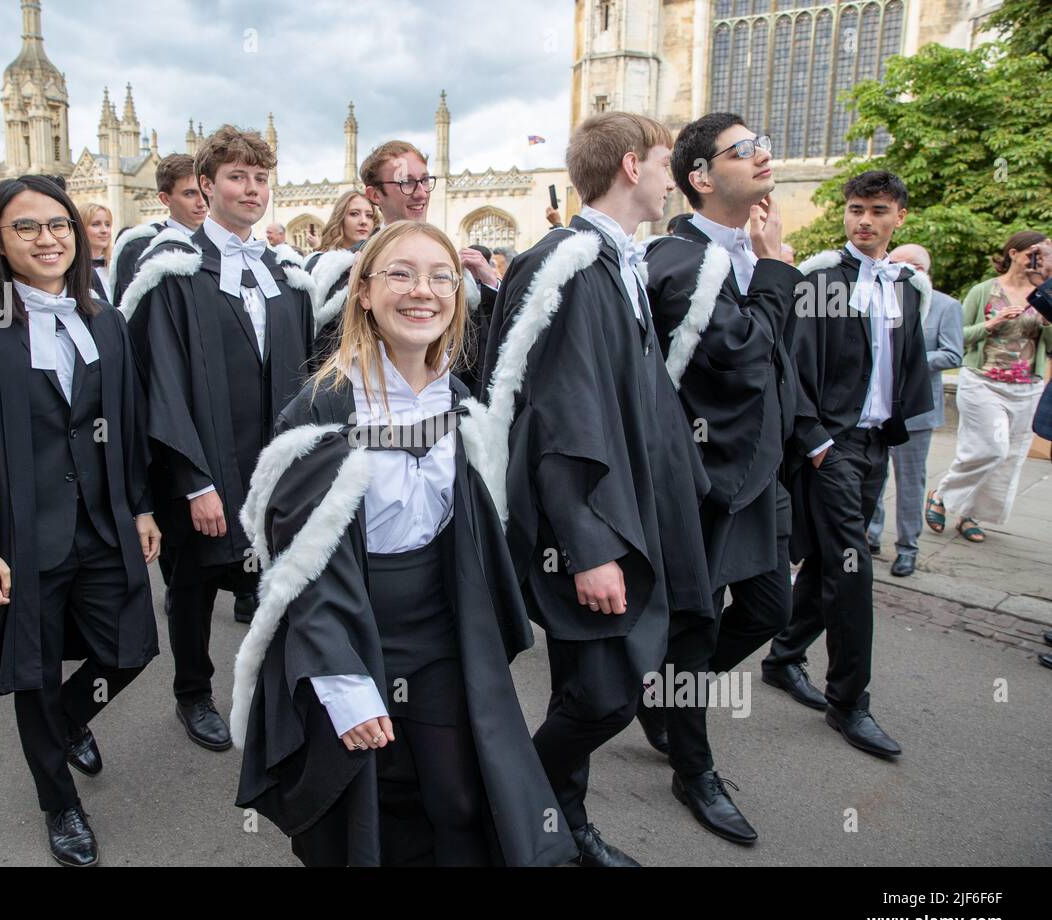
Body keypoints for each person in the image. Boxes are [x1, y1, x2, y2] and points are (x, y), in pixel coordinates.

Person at [232, 220, 576, 868]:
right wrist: (342, 681)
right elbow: (300, 565)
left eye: (440, 276)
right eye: (400, 273)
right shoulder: (325, 407)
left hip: (441, 634)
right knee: (365, 801)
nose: (423, 291)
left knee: (460, 797)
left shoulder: (462, 403)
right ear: (363, 292)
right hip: (354, 633)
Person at [479, 112, 714, 866]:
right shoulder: (572, 263)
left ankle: (561, 825)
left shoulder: (618, 260)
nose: (674, 176)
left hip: (631, 510)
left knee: (587, 689)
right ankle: (518, 803)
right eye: (668, 162)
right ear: (631, 164)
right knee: (608, 696)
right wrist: (586, 548)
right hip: (592, 527)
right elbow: (558, 415)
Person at [0, 174, 161, 867]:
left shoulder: (103, 318)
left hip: (104, 518)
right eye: (26, 226)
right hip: (18, 535)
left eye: (58, 224)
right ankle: (59, 802)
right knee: (33, 668)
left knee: (130, 648)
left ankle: (64, 723)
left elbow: (128, 422)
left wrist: (141, 503)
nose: (48, 238)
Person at [639, 112, 805, 844]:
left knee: (769, 611)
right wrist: (776, 270)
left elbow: (777, 367)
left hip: (760, 471)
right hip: (704, 475)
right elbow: (740, 355)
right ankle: (692, 764)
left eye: (762, 143)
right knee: (697, 626)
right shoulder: (676, 258)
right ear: (700, 178)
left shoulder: (753, 249)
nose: (763, 155)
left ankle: (669, 695)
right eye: (745, 150)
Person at [122, 125, 314, 753]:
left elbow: (302, 377)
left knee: (282, 582)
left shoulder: (283, 274)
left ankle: (280, 692)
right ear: (206, 187)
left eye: (260, 178)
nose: (251, 189)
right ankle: (192, 693)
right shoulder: (173, 276)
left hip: (272, 470)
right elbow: (162, 387)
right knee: (194, 587)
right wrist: (194, 481)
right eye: (237, 176)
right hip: (204, 469)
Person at [764, 170, 932, 758]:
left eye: (879, 211)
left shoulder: (908, 287)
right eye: (856, 209)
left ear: (899, 218)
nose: (865, 220)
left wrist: (894, 429)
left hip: (874, 445)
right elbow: (793, 365)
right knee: (853, 568)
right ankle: (849, 702)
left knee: (833, 558)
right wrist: (815, 442)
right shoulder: (820, 281)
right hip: (830, 447)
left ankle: (784, 658)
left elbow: (904, 364)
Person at [307, 140, 499, 389]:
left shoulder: (454, 263)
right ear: (375, 195)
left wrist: (491, 287)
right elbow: (326, 360)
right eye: (406, 183)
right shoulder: (345, 268)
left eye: (425, 180)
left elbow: (476, 354)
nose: (420, 193)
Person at [928, 231, 1052, 542]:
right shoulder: (984, 291)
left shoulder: (1045, 294)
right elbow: (958, 336)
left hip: (1027, 386)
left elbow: (1050, 346)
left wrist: (1048, 314)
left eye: (1045, 255)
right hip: (983, 381)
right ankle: (942, 494)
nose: (1039, 260)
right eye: (1034, 253)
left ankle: (970, 515)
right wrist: (990, 324)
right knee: (990, 448)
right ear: (1013, 253)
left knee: (1009, 457)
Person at [866, 243, 963, 575]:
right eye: (894, 264)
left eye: (909, 267)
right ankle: (871, 534)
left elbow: (953, 354)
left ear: (924, 271)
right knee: (873, 476)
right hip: (876, 407)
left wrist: (909, 358)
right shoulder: (877, 297)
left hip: (915, 412)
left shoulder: (946, 306)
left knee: (910, 481)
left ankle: (908, 547)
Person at [108, 153, 209, 306]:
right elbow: (129, 313)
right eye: (189, 194)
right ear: (165, 199)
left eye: (203, 192)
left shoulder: (220, 242)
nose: (201, 202)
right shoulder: (139, 246)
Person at [303, 190, 378, 276]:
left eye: (369, 216)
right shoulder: (318, 265)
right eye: (354, 214)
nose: (364, 221)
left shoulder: (382, 260)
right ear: (340, 218)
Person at [79, 202, 114, 300]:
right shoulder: (74, 271)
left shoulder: (116, 266)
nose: (104, 230)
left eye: (107, 225)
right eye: (95, 224)